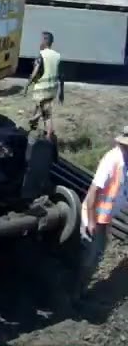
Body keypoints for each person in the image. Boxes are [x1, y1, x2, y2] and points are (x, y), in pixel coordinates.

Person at [76, 127, 128, 305]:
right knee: (90, 257)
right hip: (94, 218)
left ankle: (80, 290)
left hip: (104, 219)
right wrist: (90, 221)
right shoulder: (112, 160)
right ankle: (76, 295)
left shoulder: (125, 160)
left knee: (96, 254)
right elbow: (92, 193)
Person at [24, 31, 62, 140]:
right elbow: (61, 75)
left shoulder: (41, 55)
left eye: (41, 40)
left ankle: (46, 136)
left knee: (45, 114)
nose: (40, 42)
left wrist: (27, 85)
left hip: (42, 89)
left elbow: (35, 72)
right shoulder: (57, 55)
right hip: (53, 89)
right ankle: (36, 127)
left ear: (45, 41)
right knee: (42, 109)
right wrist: (62, 92)